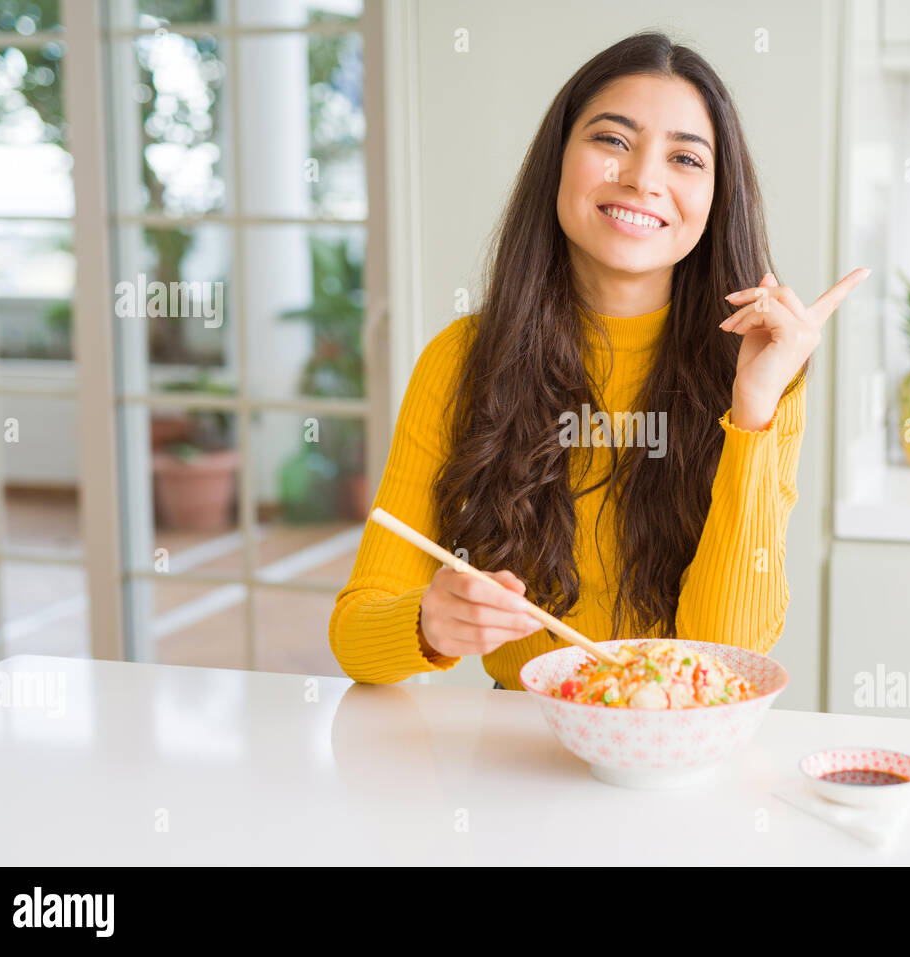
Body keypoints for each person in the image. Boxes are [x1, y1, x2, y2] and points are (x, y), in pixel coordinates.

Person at [328, 30, 868, 690]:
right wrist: (429, 623)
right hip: (518, 752)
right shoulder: (461, 358)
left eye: (686, 159)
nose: (642, 178)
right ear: (559, 158)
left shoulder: (758, 367)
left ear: (717, 197)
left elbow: (724, 655)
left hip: (679, 745)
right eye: (613, 141)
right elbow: (356, 637)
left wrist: (754, 408)